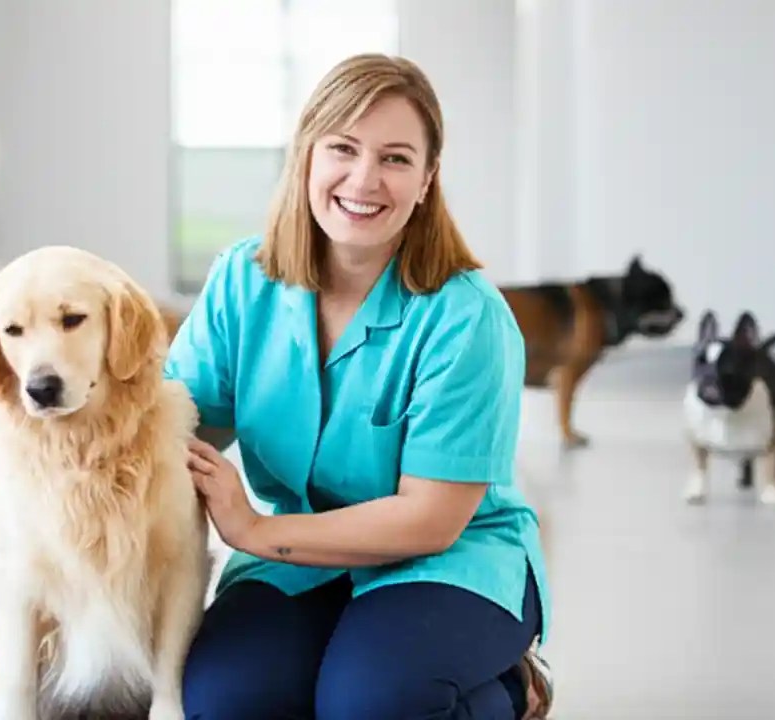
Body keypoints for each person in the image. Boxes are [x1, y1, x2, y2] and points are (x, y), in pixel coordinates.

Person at [165, 53, 554, 719]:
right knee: (229, 702)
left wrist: (253, 529)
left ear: (428, 179)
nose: (364, 179)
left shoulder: (469, 317)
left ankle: (509, 689)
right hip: (300, 559)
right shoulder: (242, 281)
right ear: (307, 158)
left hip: (451, 559)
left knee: (371, 704)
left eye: (397, 158)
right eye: (343, 148)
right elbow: (177, 428)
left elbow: (429, 519)